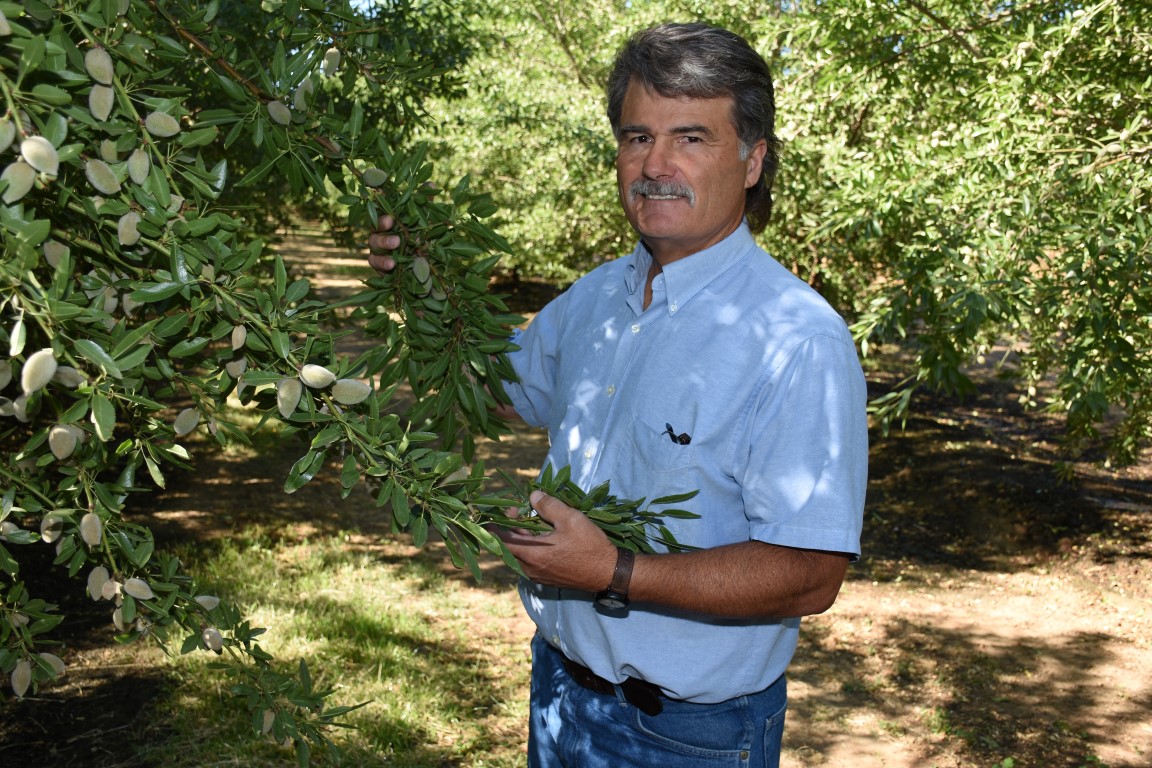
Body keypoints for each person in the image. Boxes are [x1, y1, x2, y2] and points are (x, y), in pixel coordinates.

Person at [369, 22, 867, 768]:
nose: (655, 165)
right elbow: (494, 391)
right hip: (559, 694)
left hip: (684, 737)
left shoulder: (797, 339)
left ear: (753, 159)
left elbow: (810, 573)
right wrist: (420, 288)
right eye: (637, 138)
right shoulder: (599, 296)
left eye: (691, 137)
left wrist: (614, 573)